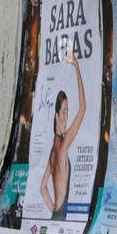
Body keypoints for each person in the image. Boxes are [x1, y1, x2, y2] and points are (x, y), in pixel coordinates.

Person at [39, 50, 87, 221]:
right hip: (59, 217)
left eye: (68, 112)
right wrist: (77, 66)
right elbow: (83, 109)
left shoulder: (54, 148)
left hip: (56, 215)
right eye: (64, 112)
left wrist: (54, 208)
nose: (67, 118)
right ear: (56, 116)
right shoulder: (63, 144)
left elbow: (43, 187)